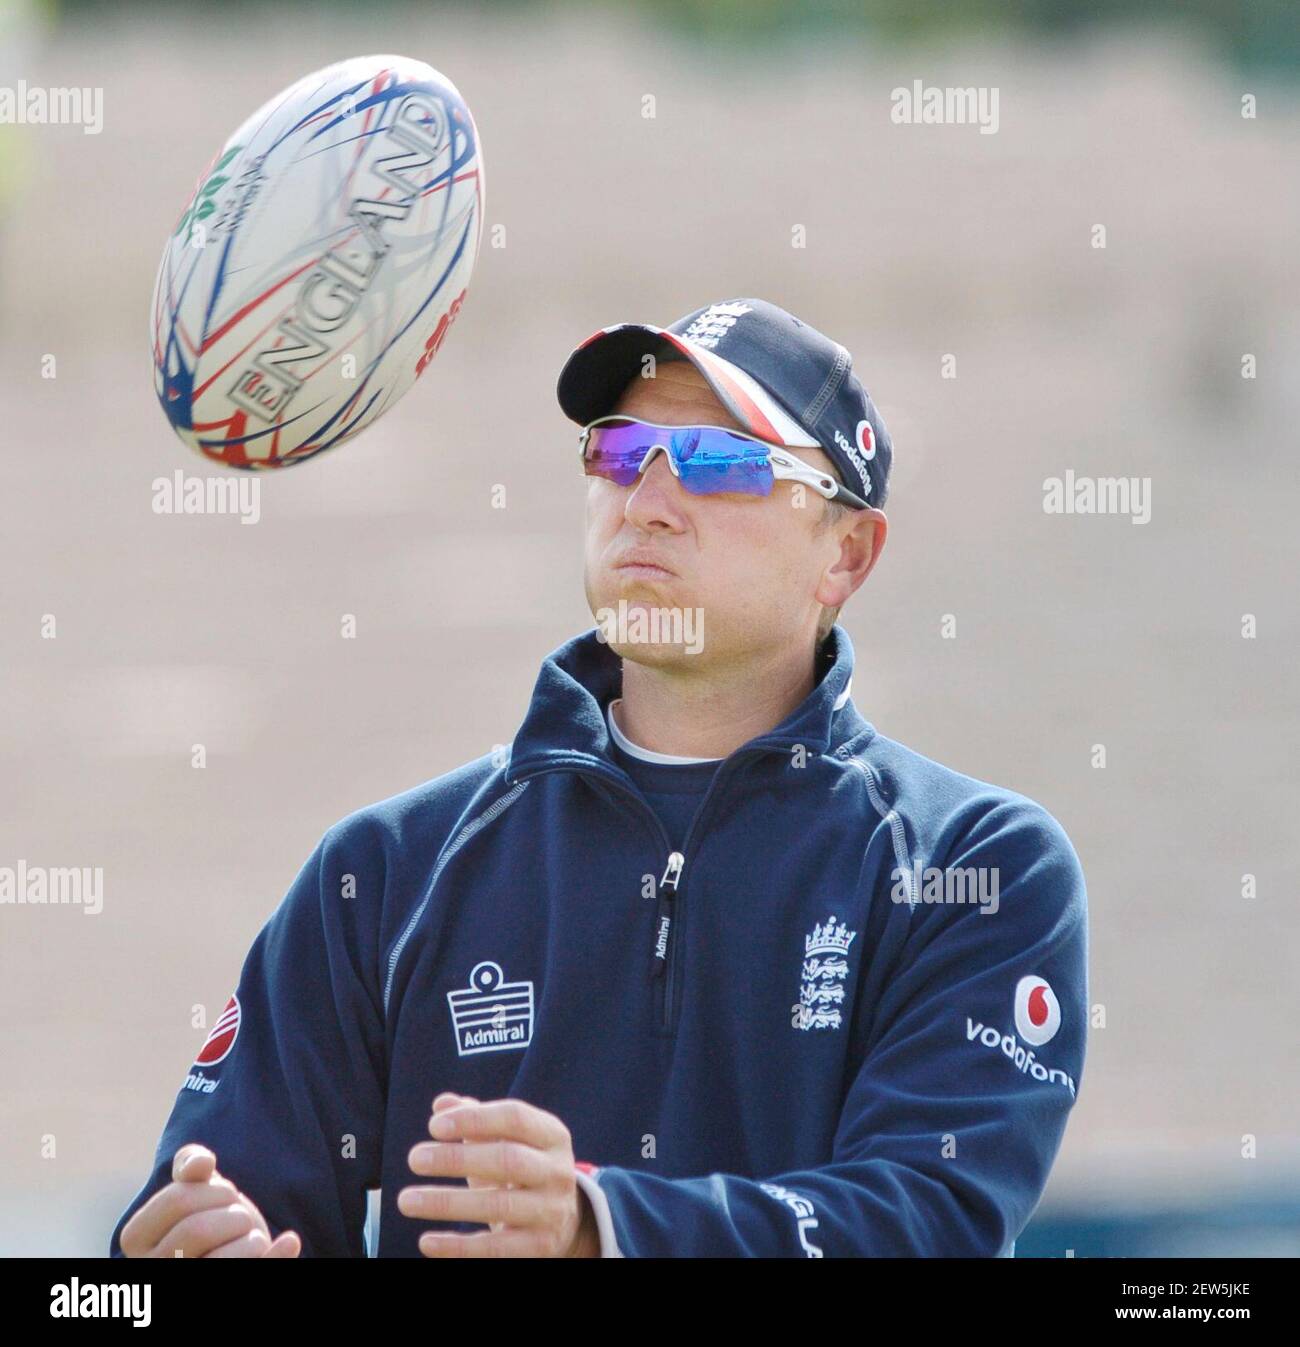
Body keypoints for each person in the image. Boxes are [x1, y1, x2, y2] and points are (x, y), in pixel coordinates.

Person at [111, 297, 1088, 1259]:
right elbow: (220, 1213)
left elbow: (926, 1220)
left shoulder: (979, 863)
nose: (648, 501)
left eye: (716, 463)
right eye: (620, 453)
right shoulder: (383, 868)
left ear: (845, 554)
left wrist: (604, 1231)